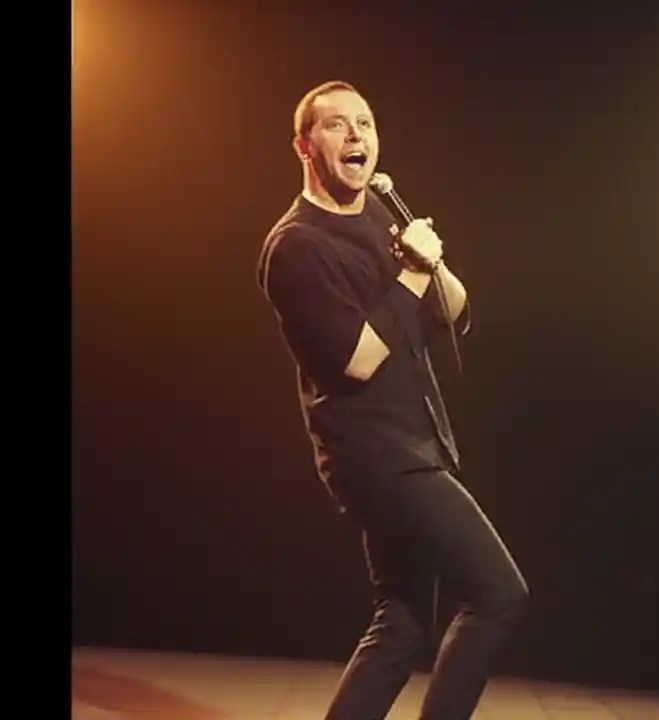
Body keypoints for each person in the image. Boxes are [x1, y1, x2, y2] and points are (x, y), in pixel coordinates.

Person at [255, 80, 528, 720]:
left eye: (367, 124)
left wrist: (430, 260)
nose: (357, 137)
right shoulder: (296, 247)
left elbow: (455, 313)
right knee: (498, 593)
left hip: (416, 441)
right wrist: (409, 272)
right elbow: (356, 358)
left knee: (403, 625)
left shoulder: (382, 215)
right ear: (304, 145)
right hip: (377, 456)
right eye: (338, 126)